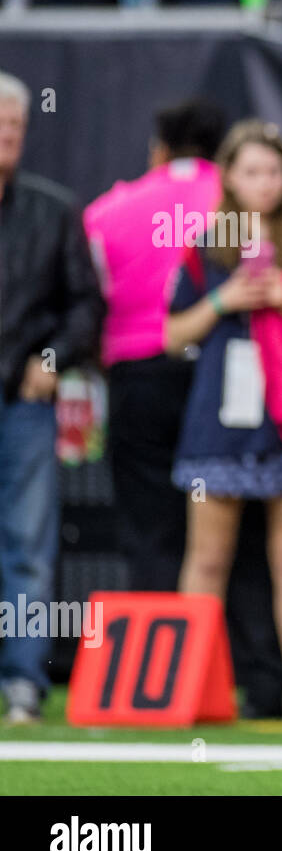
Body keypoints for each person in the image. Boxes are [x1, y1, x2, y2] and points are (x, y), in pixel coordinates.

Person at [163, 119, 282, 723]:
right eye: (251, 171)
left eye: (274, 171)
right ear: (230, 178)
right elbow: (170, 336)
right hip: (219, 419)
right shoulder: (205, 246)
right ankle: (189, 684)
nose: (264, 183)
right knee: (208, 558)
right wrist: (224, 301)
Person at [85, 99, 227, 594]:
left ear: (159, 151)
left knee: (149, 530)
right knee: (231, 529)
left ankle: (163, 658)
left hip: (137, 380)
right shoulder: (241, 205)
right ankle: (239, 662)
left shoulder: (108, 210)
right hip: (221, 381)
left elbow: (89, 300)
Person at [0, 70, 106, 723]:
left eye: (15, 127)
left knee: (27, 542)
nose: (8, 137)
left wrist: (52, 358)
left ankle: (23, 680)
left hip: (24, 400)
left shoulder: (52, 208)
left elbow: (86, 305)